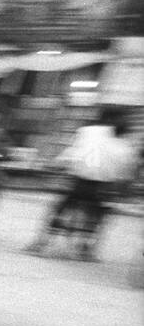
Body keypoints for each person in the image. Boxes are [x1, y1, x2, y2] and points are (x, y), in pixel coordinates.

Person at [27, 108, 139, 260]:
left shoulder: (88, 132)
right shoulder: (125, 147)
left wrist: (56, 165)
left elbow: (71, 154)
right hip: (103, 189)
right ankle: (86, 249)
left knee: (59, 209)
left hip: (78, 183)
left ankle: (41, 243)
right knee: (100, 216)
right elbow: (125, 173)